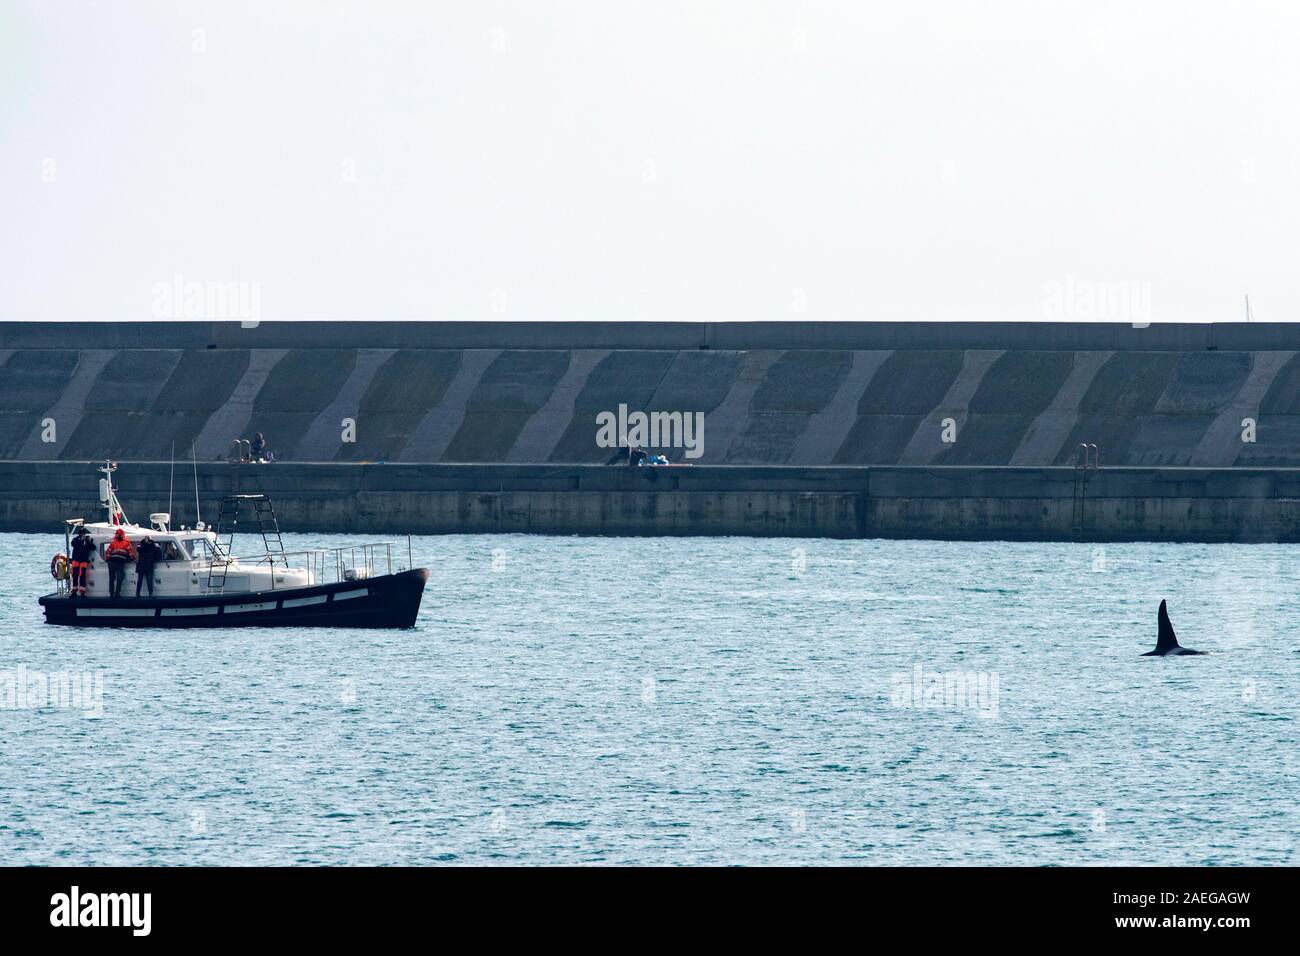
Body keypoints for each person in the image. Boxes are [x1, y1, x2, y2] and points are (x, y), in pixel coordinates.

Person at [105, 527, 136, 599]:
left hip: (114, 563)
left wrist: (107, 559)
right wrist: (133, 559)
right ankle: (115, 594)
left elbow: (108, 552)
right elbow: (130, 553)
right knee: (117, 579)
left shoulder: (114, 542)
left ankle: (113, 594)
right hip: (117, 563)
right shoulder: (124, 542)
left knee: (114, 579)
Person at [69, 526, 94, 598]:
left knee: (82, 576)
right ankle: (74, 592)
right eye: (81, 533)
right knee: (75, 576)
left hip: (83, 561)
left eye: (83, 533)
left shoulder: (87, 541)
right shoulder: (75, 540)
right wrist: (81, 541)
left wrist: (88, 542)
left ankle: (82, 592)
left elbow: (93, 547)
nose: (82, 535)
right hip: (76, 560)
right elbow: (73, 544)